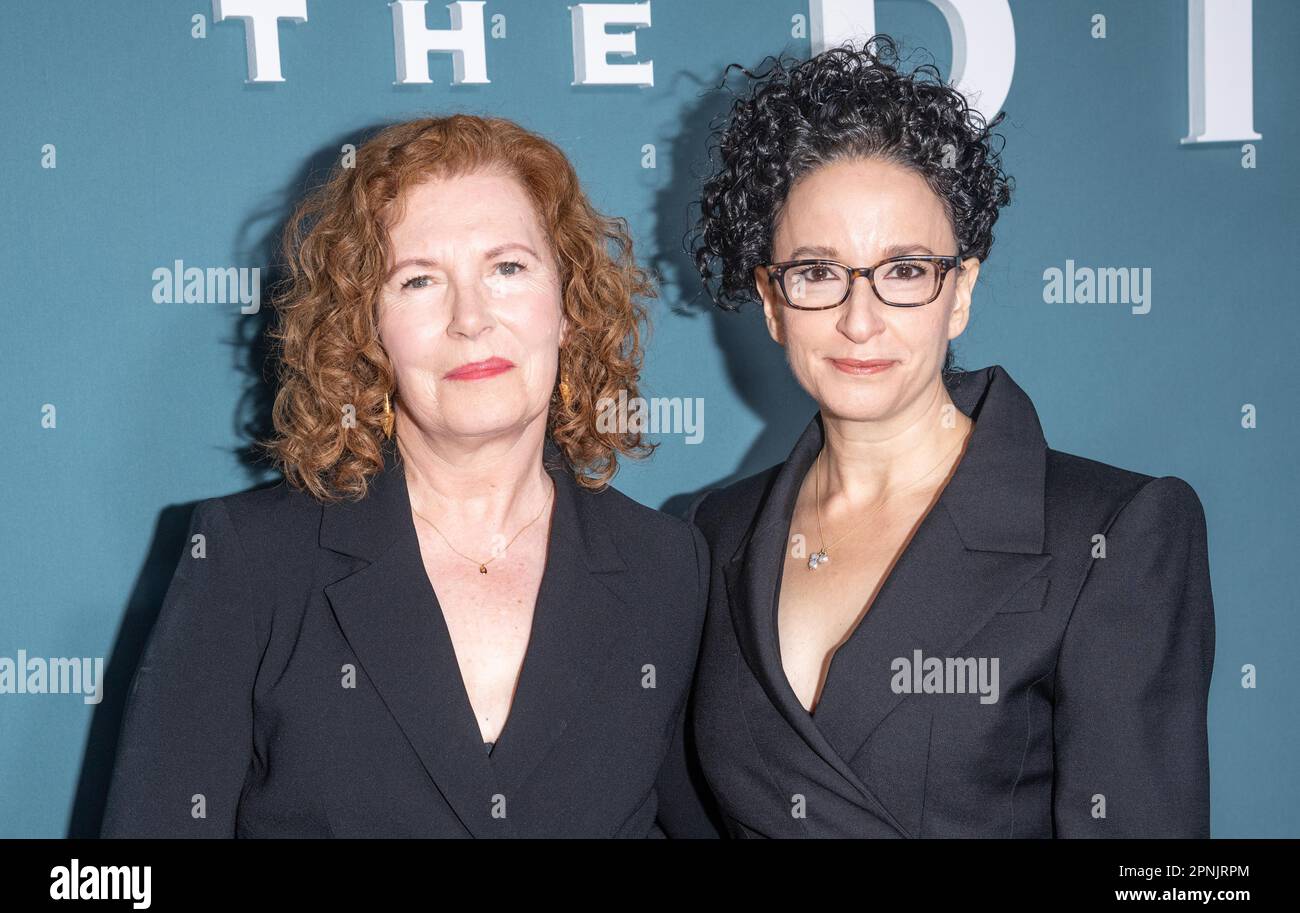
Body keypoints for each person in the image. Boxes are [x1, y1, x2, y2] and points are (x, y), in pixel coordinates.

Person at [102, 114, 718, 838]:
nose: (471, 318)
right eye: (420, 280)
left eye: (507, 268)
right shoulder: (246, 559)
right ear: (364, 330)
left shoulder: (667, 567)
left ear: (570, 307)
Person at [685, 37, 1215, 838]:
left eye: (904, 270)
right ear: (771, 299)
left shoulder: (1112, 531)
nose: (858, 319)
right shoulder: (712, 532)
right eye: (818, 271)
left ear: (958, 291)